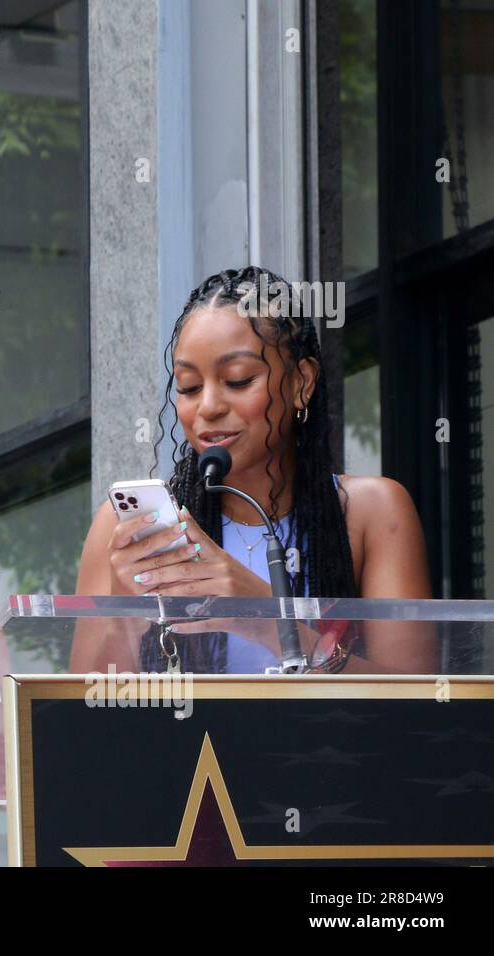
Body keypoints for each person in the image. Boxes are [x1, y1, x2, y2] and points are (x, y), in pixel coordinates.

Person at [71, 267, 437, 674]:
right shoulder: (126, 529)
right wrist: (125, 615)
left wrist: (263, 618)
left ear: (302, 381)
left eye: (238, 380)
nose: (207, 407)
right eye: (189, 387)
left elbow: (415, 711)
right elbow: (81, 714)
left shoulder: (372, 512)